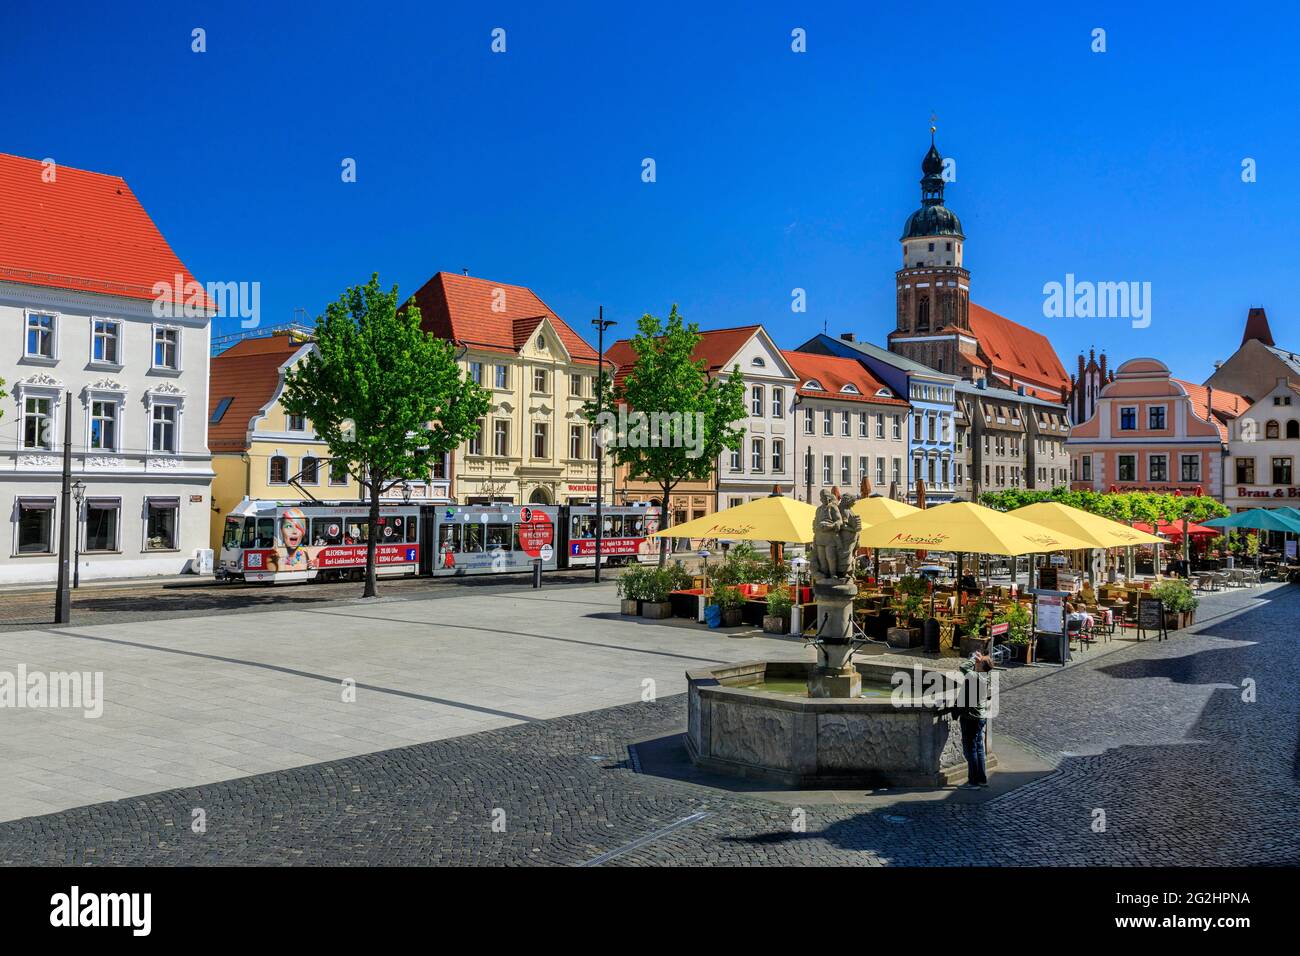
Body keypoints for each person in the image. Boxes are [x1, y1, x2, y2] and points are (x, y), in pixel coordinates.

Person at [955, 652, 992, 789]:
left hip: (970, 717)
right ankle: (982, 779)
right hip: (980, 717)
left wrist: (972, 659)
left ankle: (973, 782)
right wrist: (979, 661)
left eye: (980, 661)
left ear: (982, 666)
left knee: (970, 750)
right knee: (979, 748)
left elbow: (963, 667)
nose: (978, 661)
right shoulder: (985, 676)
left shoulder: (975, 676)